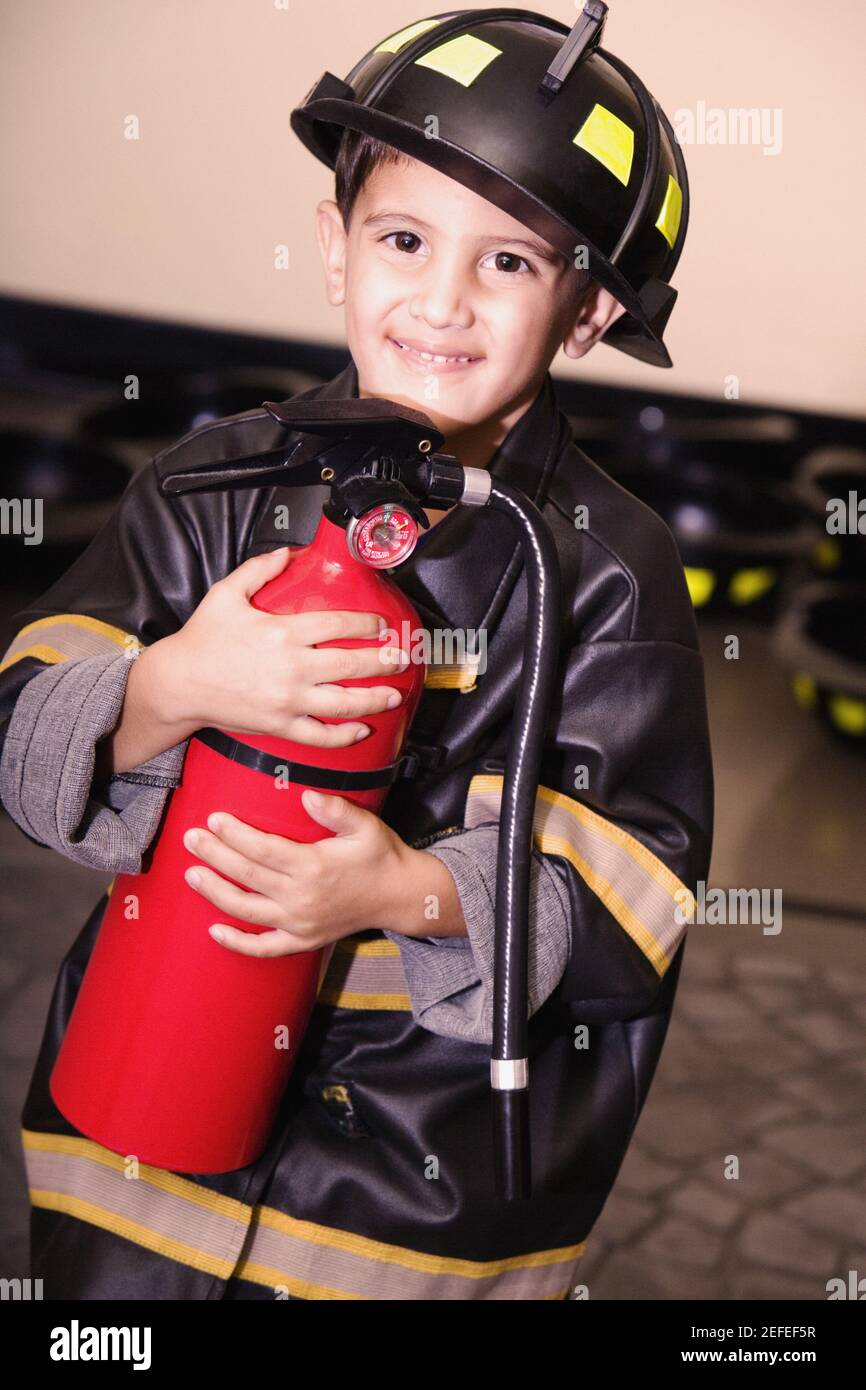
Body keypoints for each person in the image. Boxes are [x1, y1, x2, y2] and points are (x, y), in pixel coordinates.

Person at [0, 6, 713, 1299]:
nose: (439, 300)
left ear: (590, 309)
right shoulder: (213, 485)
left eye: (507, 263)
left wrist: (402, 892)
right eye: (402, 238)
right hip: (130, 1178)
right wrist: (168, 686)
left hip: (404, 1221)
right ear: (334, 248)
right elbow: (24, 713)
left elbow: (635, 890)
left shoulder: (609, 570)